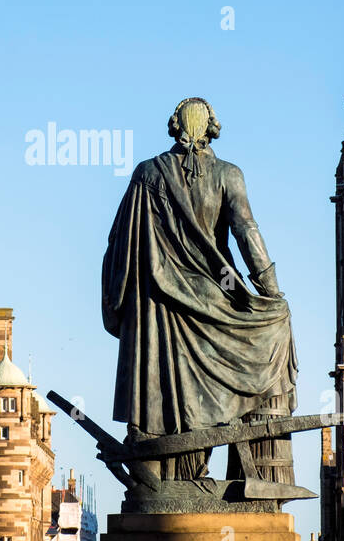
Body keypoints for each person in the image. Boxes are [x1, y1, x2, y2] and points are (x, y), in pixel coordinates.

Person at [102, 97, 297, 481]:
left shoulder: (147, 173)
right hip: (214, 293)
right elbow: (246, 233)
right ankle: (242, 472)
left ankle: (173, 468)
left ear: (174, 126)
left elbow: (119, 244)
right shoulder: (228, 174)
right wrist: (271, 292)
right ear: (212, 128)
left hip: (158, 301)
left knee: (164, 384)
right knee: (276, 323)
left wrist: (121, 294)